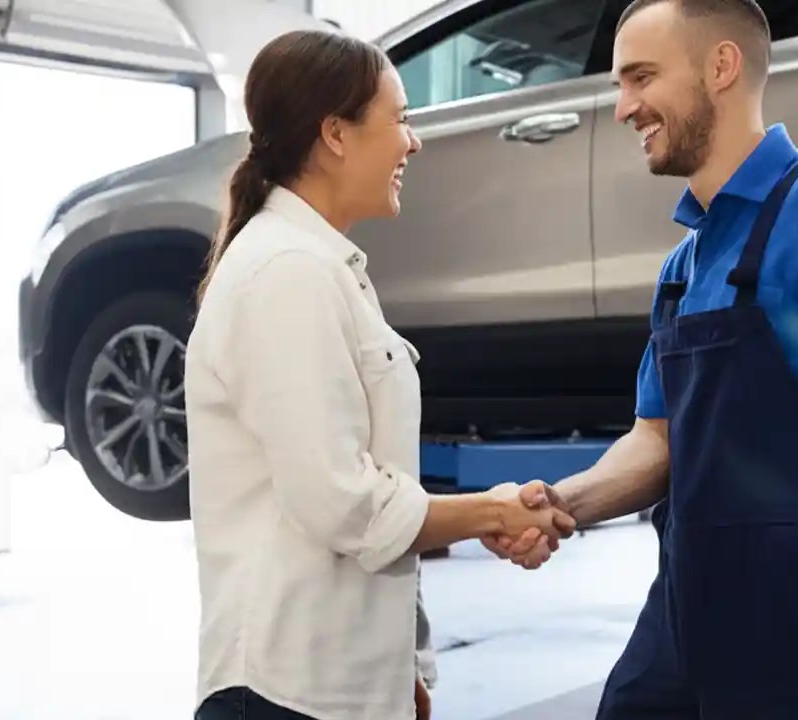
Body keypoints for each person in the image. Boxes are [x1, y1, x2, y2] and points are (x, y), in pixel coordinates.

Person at [484, 1, 798, 718]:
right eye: (620, 86)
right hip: (681, 617)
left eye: (640, 78)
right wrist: (562, 505)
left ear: (721, 66)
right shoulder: (683, 263)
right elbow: (658, 440)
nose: (624, 107)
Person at [184, 30, 575, 720]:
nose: (412, 142)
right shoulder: (287, 274)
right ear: (336, 134)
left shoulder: (322, 269)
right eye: (400, 119)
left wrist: (401, 667)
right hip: (284, 691)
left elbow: (372, 485)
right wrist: (489, 511)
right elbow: (339, 500)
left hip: (339, 688)